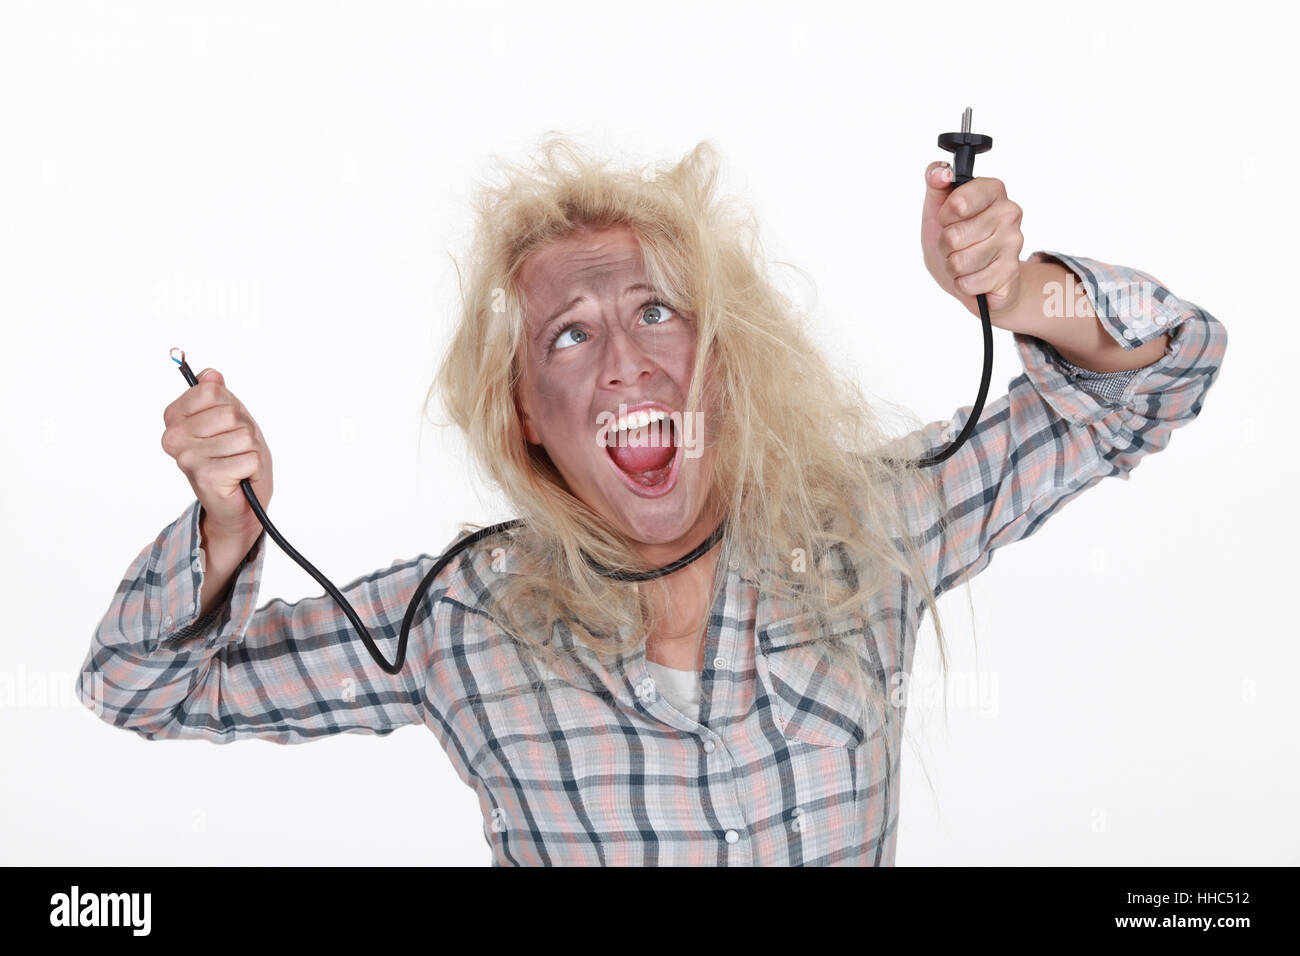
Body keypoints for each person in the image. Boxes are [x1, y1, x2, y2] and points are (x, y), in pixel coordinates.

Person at [76, 136, 1228, 866]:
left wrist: (1015, 290)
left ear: (721, 356)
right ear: (526, 410)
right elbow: (141, 686)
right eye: (570, 334)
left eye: (659, 311)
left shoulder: (863, 527)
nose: (625, 361)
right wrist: (226, 530)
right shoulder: (457, 620)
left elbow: (1161, 375)